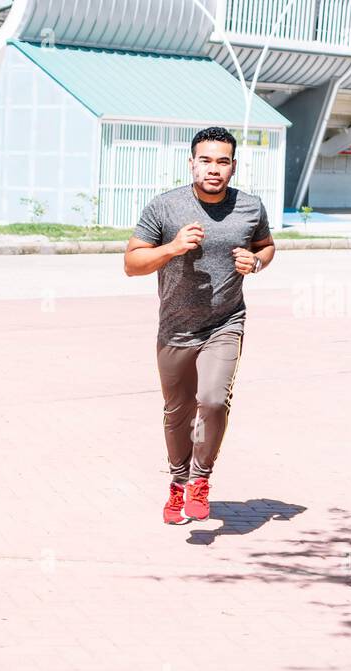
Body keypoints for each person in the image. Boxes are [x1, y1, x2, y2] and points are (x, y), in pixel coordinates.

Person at [123, 126, 276, 524]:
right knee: (177, 412)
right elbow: (131, 264)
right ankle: (177, 485)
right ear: (191, 163)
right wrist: (172, 247)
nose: (213, 169)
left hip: (226, 321)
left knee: (211, 399)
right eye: (205, 161)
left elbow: (266, 246)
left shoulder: (250, 207)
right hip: (174, 327)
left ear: (233, 166)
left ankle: (200, 480)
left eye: (222, 162)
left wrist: (256, 263)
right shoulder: (164, 207)